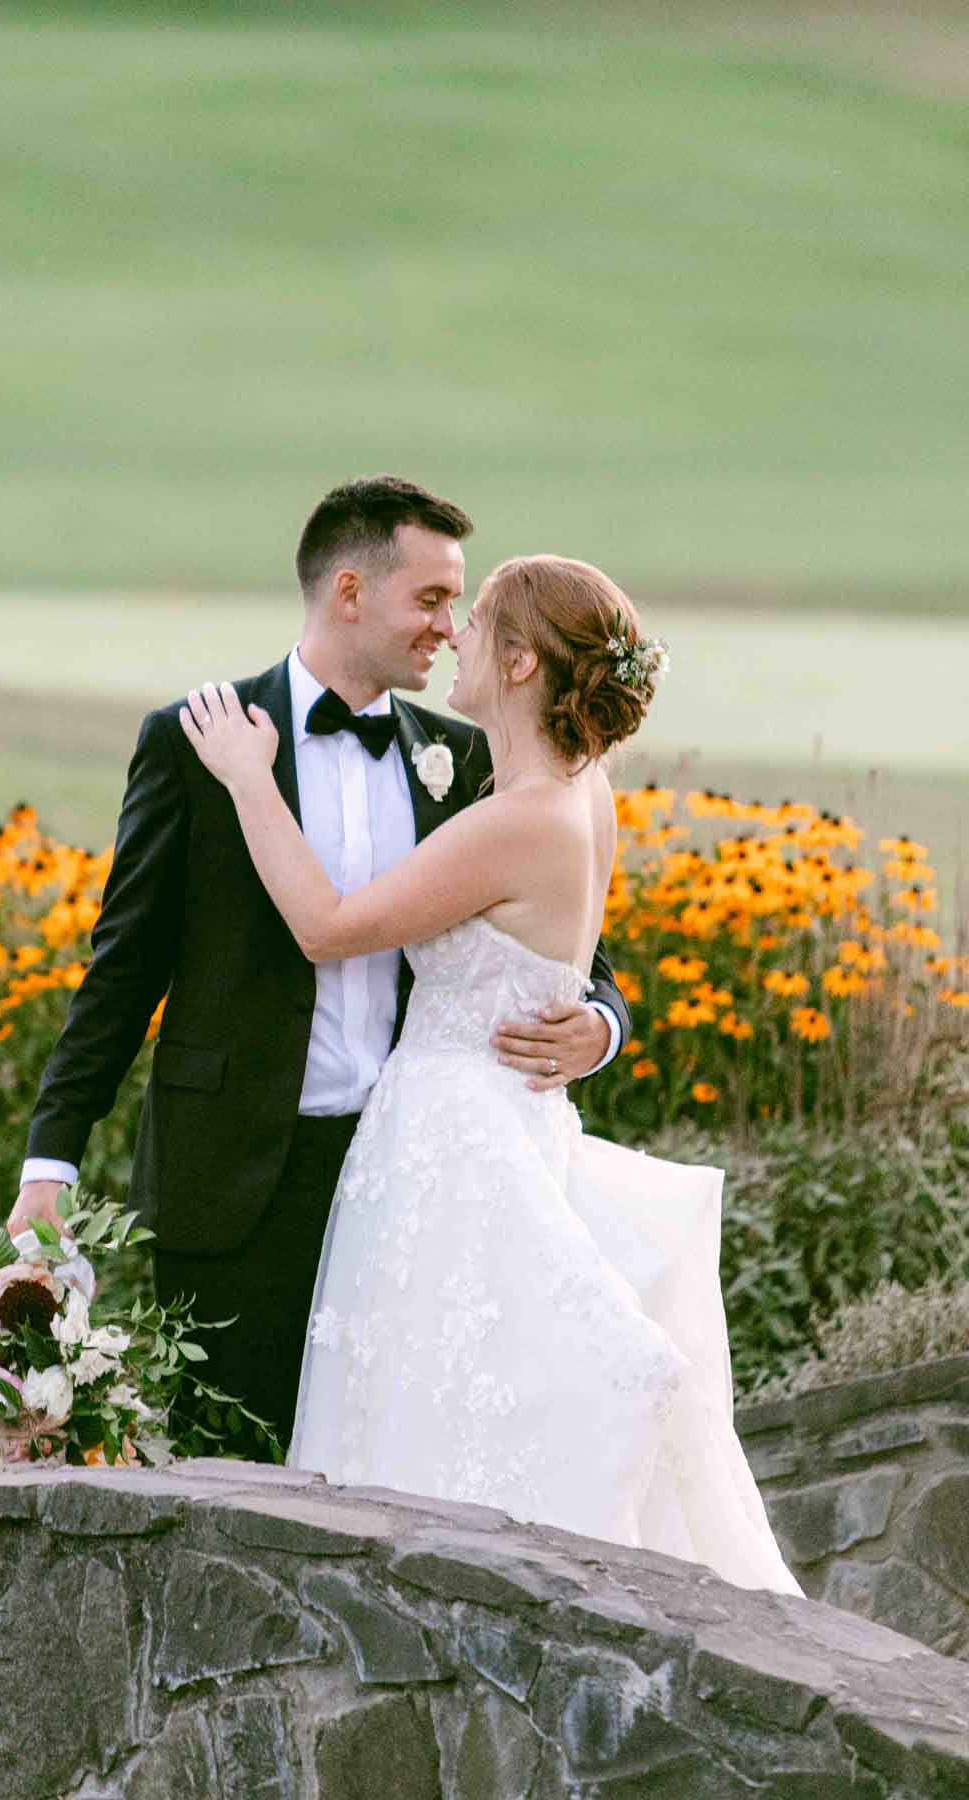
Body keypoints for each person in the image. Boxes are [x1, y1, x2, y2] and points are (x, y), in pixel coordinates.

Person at [179, 552, 803, 1596]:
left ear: (517, 663)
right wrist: (599, 1024)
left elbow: (331, 927)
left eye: (472, 622)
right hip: (493, 1126)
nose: (454, 638)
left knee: (429, 1416)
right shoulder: (574, 791)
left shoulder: (523, 818)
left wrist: (250, 778)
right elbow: (564, 965)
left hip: (454, 1149)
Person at [8, 477, 633, 1460]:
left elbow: (577, 941)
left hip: (406, 1179)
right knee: (225, 1480)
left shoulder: (475, 758)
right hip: (230, 1183)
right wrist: (52, 1161)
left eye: (459, 607)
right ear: (350, 593)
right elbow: (124, 972)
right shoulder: (198, 741)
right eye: (430, 600)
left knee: (389, 1457)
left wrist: (600, 1024)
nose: (445, 629)